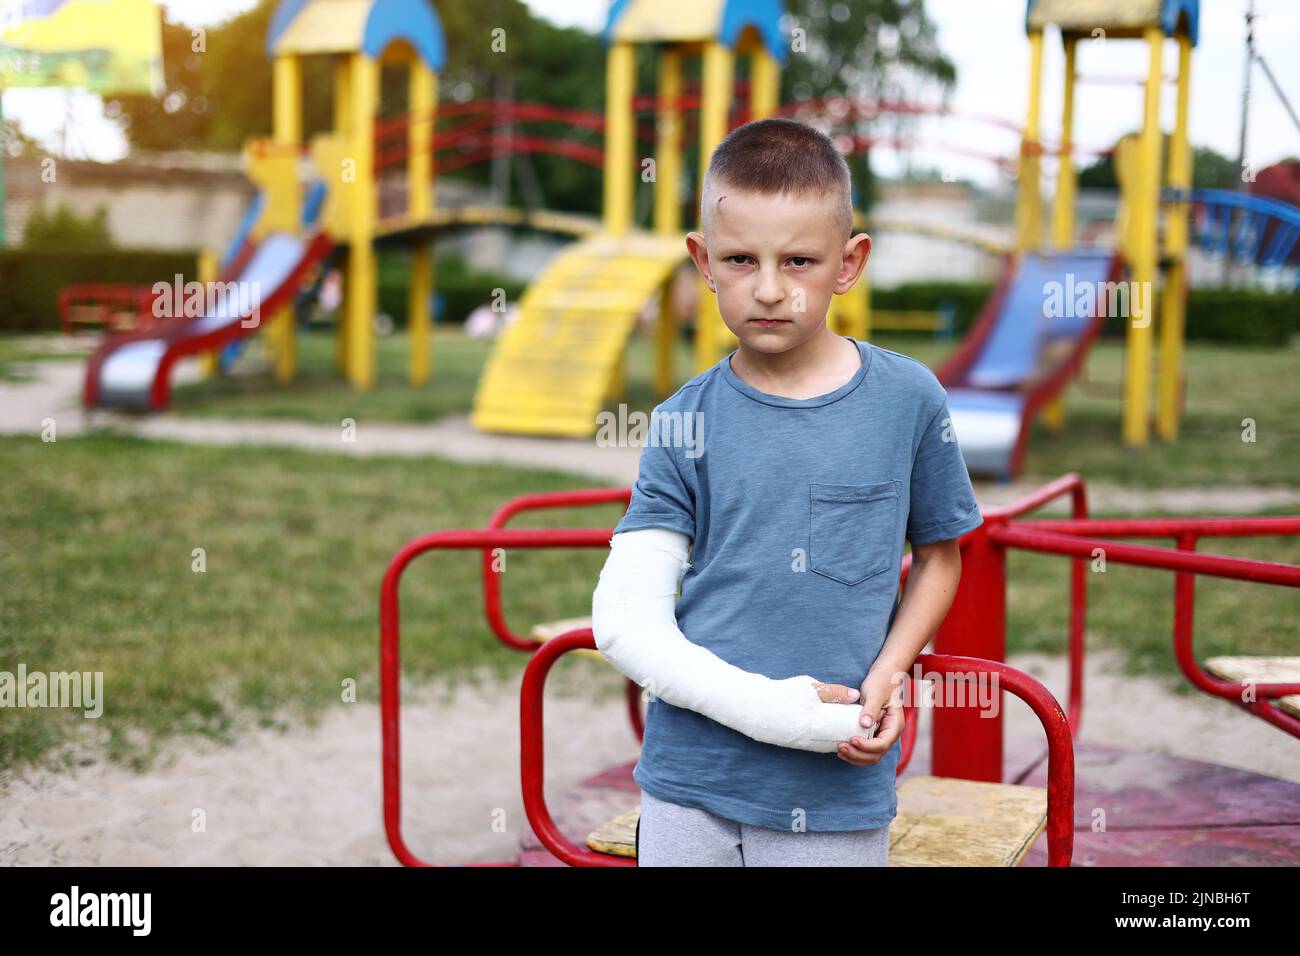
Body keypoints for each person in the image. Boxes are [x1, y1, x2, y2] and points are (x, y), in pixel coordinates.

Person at [590, 118, 984, 867]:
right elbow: (626, 620)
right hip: (688, 779)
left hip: (835, 780)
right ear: (703, 262)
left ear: (849, 262)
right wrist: (769, 710)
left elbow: (940, 557)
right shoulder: (682, 420)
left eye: (799, 260)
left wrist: (888, 674)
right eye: (740, 260)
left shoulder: (909, 401)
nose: (769, 289)